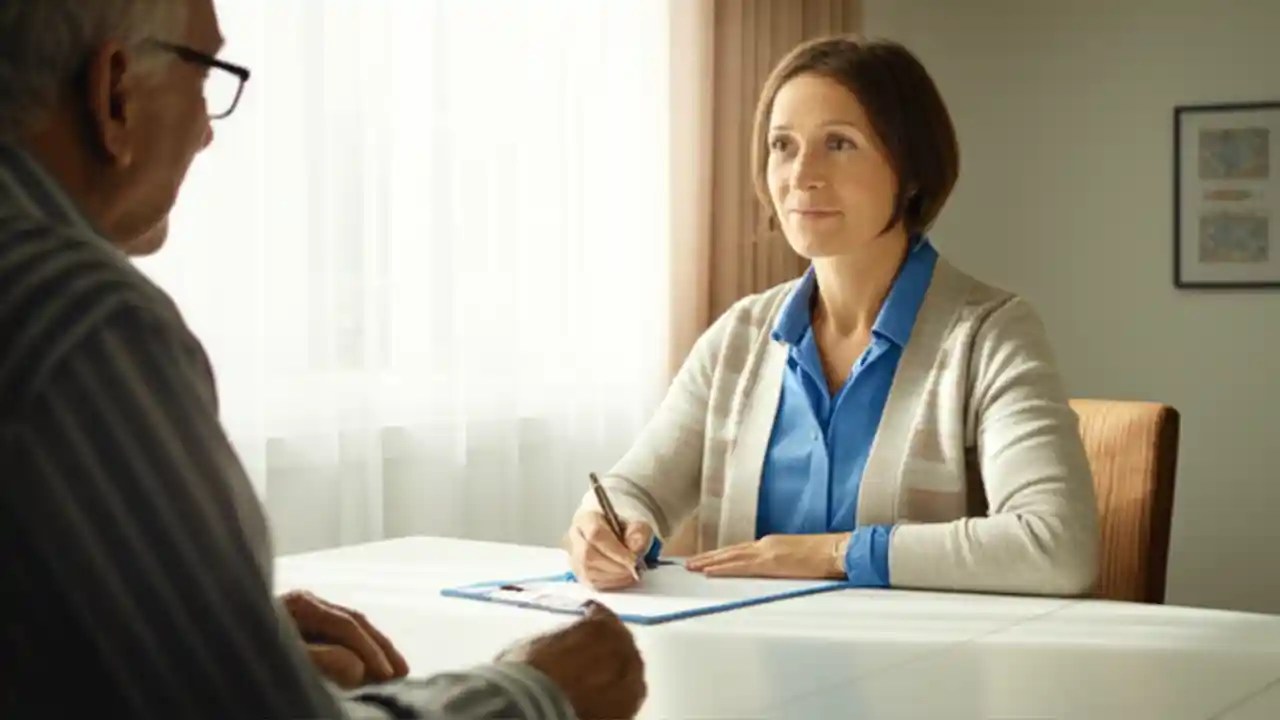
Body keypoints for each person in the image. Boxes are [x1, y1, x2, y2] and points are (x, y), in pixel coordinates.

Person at [0, 1, 645, 718]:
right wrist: (538, 691)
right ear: (114, 92)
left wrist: (224, 636)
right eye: (207, 75)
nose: (209, 132)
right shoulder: (86, 323)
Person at [567, 35, 1101, 597]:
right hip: (743, 666)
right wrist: (604, 527)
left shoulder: (992, 334)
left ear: (914, 170)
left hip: (925, 674)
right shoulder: (740, 337)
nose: (801, 174)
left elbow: (1057, 547)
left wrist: (834, 553)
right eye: (782, 145)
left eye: (839, 144)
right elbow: (634, 490)